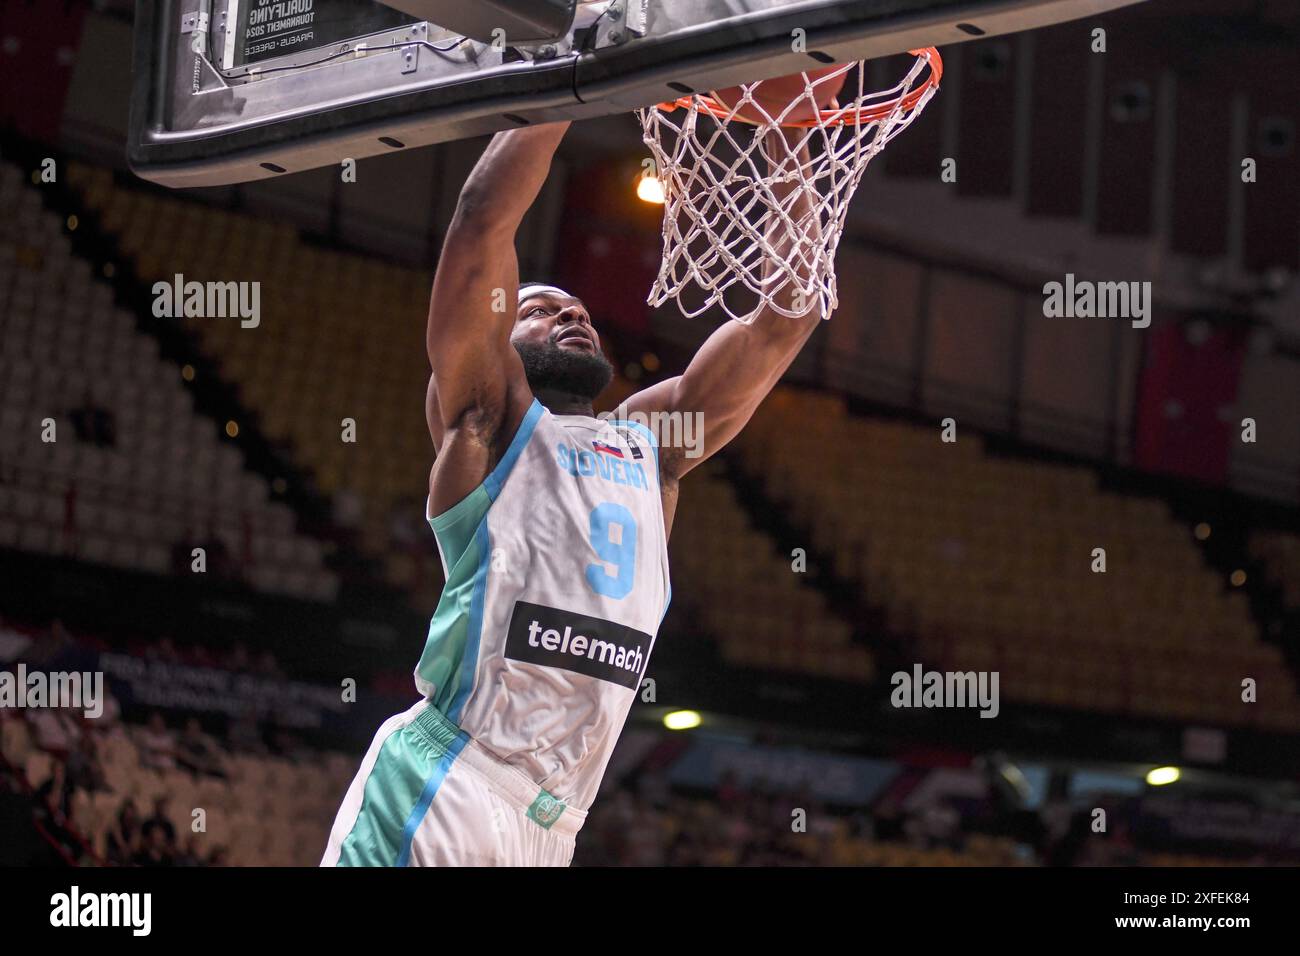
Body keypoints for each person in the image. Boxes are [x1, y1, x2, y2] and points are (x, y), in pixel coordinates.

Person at [324, 119, 825, 867]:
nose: (572, 314)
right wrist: (560, 91)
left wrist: (791, 138)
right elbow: (480, 222)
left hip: (555, 825)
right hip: (452, 780)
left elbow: (786, 318)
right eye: (540, 308)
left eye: (581, 312)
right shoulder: (489, 422)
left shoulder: (652, 450)